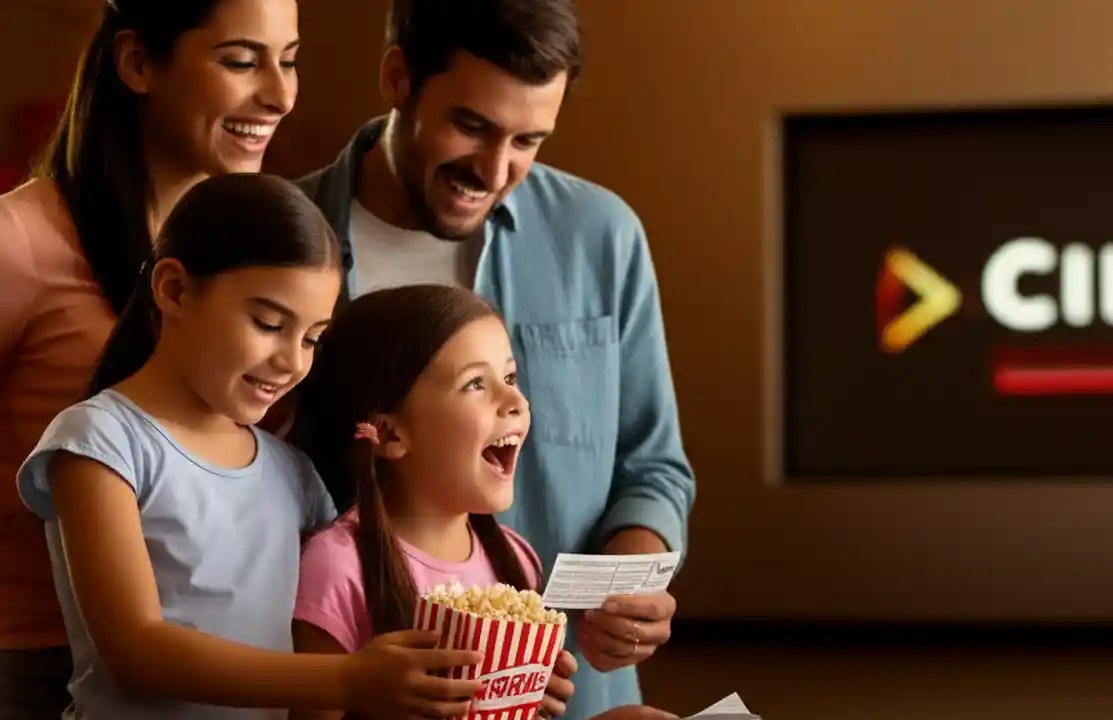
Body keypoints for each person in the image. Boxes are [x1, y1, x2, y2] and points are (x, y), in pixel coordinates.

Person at [297, 2, 695, 717]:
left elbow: (653, 464)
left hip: (575, 698)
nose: (494, 168)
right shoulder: (284, 245)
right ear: (397, 78)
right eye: (471, 126)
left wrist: (630, 580)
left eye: (529, 140)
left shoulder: (601, 236)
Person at [16, 174, 484, 719]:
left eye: (311, 338)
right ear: (174, 289)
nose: (292, 361)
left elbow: (351, 613)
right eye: (268, 323)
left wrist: (494, 676)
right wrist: (346, 678)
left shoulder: (294, 475)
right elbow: (137, 649)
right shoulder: (101, 444)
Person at [0, 1, 299, 714]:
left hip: (227, 669)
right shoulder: (21, 240)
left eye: (289, 60)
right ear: (137, 62)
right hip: (43, 667)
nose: (280, 95)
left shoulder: (264, 248)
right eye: (241, 60)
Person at [290, 283, 577, 719]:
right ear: (389, 433)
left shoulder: (517, 560)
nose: (516, 401)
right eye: (476, 384)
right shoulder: (337, 569)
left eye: (511, 377)